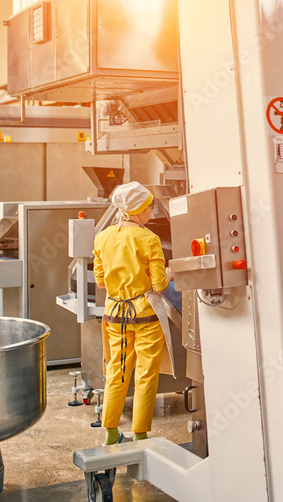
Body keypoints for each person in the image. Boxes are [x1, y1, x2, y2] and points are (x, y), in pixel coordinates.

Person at [93, 181, 174, 445]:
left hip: (115, 313)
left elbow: (101, 282)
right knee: (146, 373)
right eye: (150, 207)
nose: (151, 212)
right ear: (139, 210)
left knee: (116, 371)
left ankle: (111, 433)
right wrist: (169, 274)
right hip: (145, 314)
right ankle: (140, 434)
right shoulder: (149, 239)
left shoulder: (102, 237)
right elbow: (160, 286)